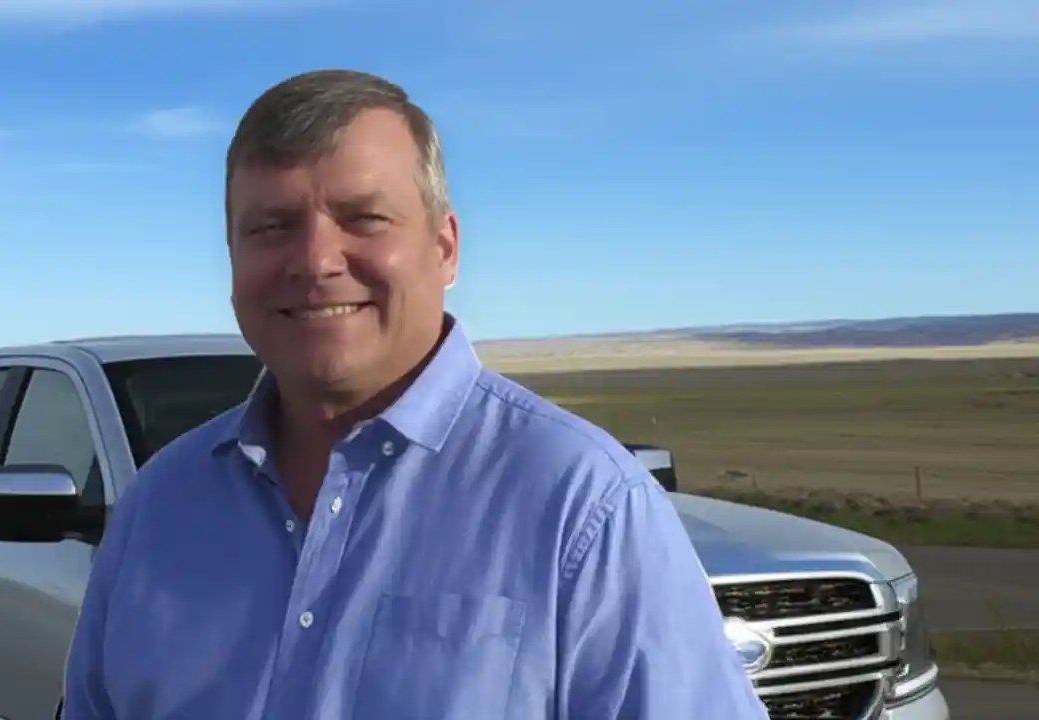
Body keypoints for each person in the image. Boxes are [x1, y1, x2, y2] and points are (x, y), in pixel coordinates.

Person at [62, 69, 769, 719]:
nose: (315, 261)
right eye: (272, 227)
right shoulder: (158, 510)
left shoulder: (582, 508)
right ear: (233, 259)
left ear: (446, 248)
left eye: (364, 217)